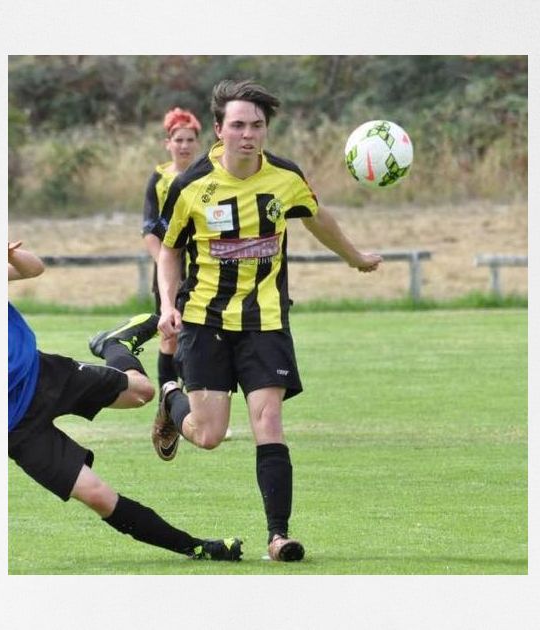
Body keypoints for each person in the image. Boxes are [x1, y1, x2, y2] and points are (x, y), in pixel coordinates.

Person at [152, 80, 383, 562]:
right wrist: (169, 304)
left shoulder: (285, 177)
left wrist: (355, 257)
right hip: (205, 320)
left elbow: (317, 217)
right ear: (219, 129)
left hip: (266, 319)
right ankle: (170, 397)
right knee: (209, 435)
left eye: (256, 125)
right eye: (238, 125)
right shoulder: (190, 185)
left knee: (269, 419)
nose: (248, 134)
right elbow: (169, 249)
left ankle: (279, 537)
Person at [8, 240, 242, 562]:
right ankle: (197, 547)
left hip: (45, 376)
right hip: (16, 430)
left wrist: (10, 255)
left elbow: (34, 268)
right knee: (97, 496)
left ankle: (115, 344)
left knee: (141, 392)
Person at [88, 106, 233, 438]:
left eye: (190, 140)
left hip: (204, 270)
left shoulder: (209, 175)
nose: (184, 146)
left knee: (202, 337)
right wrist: (167, 266)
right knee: (172, 335)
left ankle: (186, 405)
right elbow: (150, 231)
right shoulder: (160, 179)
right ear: (167, 143)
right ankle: (173, 403)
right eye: (178, 140)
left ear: (199, 142)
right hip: (170, 269)